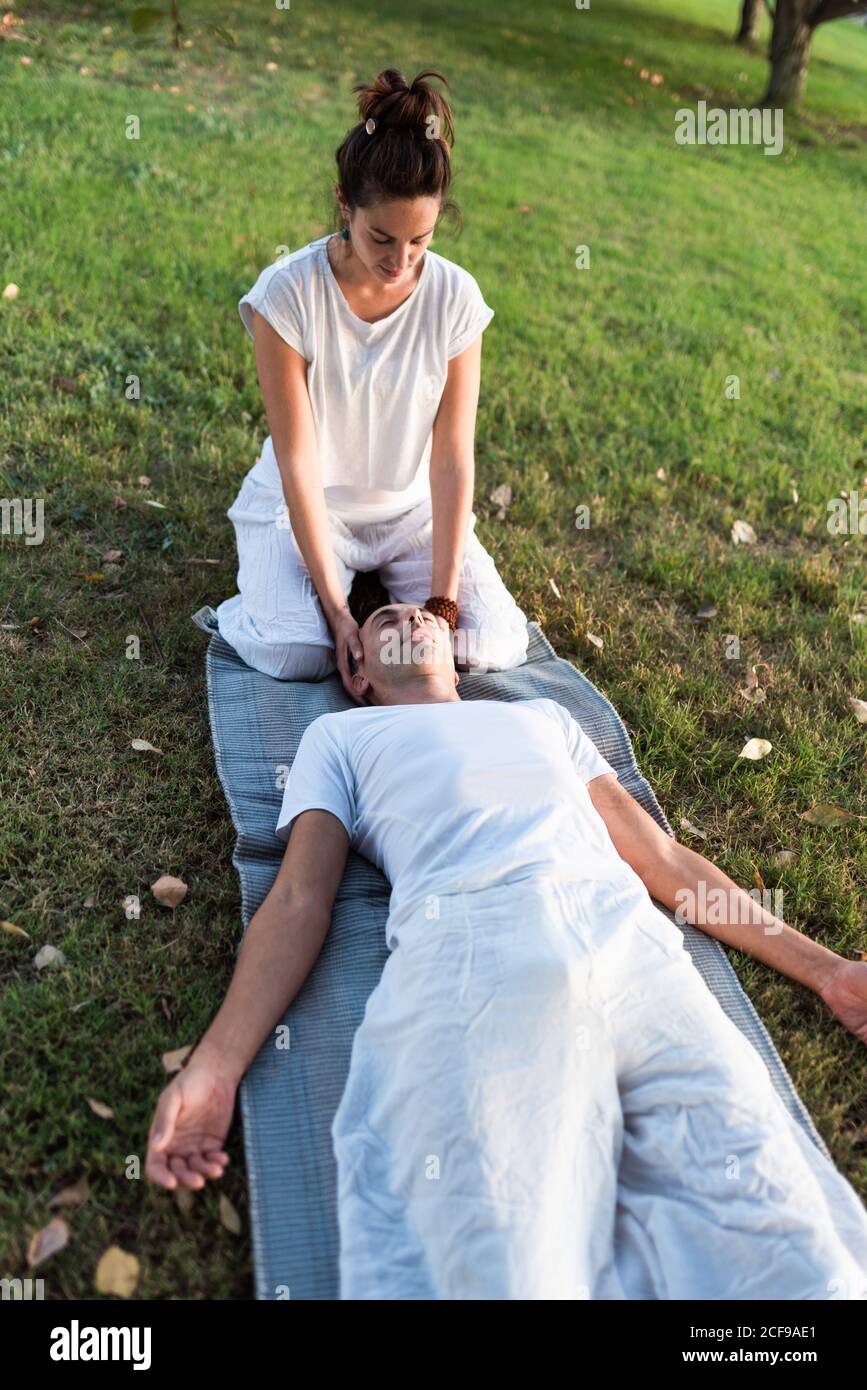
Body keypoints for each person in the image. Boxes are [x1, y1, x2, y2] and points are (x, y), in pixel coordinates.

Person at [147, 602, 867, 1300]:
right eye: (382, 621)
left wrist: (830, 972)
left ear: (456, 661)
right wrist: (216, 1066)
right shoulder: (339, 738)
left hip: (629, 948)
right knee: (502, 1236)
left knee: (766, 1204)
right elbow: (300, 899)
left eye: (420, 613)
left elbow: (662, 861)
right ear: (358, 674)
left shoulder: (541, 718)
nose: (408, 617)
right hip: (474, 950)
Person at [215, 67, 529, 699]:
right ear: (344, 203)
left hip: (410, 512)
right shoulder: (288, 294)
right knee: (295, 649)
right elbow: (297, 461)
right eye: (381, 237)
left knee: (492, 640)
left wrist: (440, 603)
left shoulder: (454, 298)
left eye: (421, 239)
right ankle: (303, 597)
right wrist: (336, 613)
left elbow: (451, 458)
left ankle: (390, 592)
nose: (400, 260)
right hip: (305, 506)